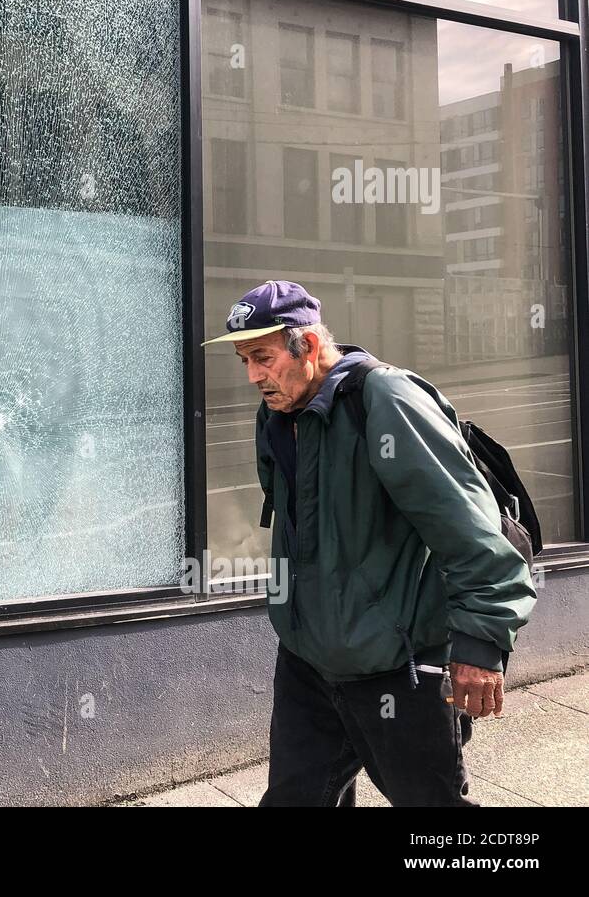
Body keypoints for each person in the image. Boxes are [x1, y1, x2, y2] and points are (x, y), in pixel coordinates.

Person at [203, 280, 537, 807]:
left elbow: (470, 528)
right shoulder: (276, 416)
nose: (252, 376)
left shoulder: (384, 399)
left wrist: (481, 644)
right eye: (245, 360)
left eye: (262, 358)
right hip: (309, 661)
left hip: (396, 665)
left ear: (308, 347)